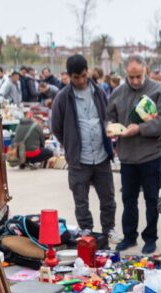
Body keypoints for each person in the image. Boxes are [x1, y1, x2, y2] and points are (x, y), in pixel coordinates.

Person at [106, 54, 161, 253]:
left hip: (150, 156)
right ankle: (129, 236)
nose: (135, 81)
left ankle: (150, 237)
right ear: (125, 73)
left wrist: (140, 129)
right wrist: (111, 128)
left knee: (152, 200)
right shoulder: (118, 92)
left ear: (146, 69)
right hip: (127, 158)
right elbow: (108, 117)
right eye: (131, 77)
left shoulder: (158, 90)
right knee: (128, 200)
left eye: (139, 76)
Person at [50, 54, 118, 239]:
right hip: (79, 159)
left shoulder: (100, 92)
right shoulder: (62, 98)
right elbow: (56, 126)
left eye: (83, 75)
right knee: (81, 199)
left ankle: (109, 228)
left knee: (108, 198)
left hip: (102, 155)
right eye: (75, 77)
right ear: (69, 76)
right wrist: (71, 142)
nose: (80, 80)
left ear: (87, 72)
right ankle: (86, 228)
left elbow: (108, 117)